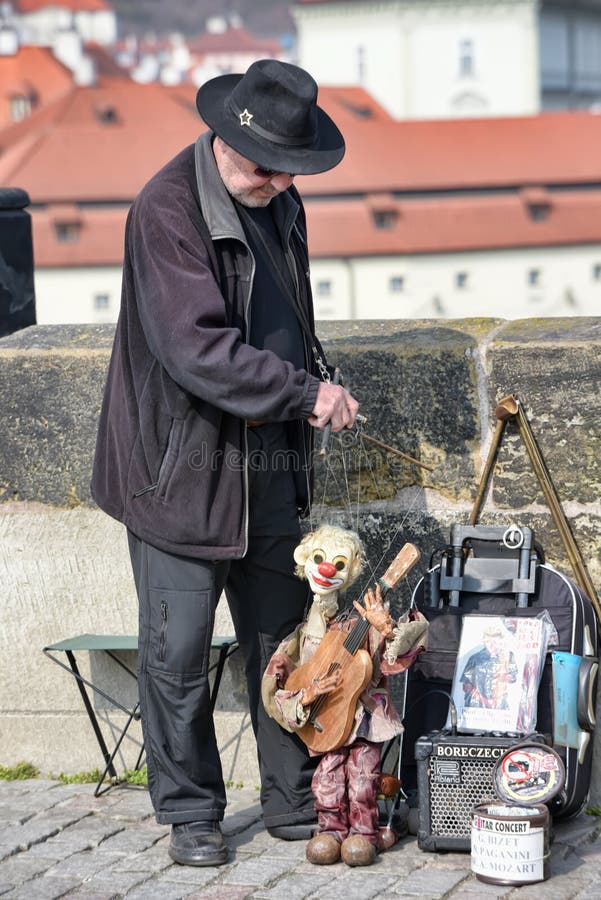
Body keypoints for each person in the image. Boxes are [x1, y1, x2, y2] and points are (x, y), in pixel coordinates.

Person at [91, 59, 359, 868]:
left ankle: (292, 799)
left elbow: (283, 320)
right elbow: (195, 349)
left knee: (284, 641)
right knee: (175, 657)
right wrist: (305, 394)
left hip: (268, 463)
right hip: (179, 471)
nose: (278, 181)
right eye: (265, 165)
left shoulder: (279, 198)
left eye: (290, 168)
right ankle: (191, 813)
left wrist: (309, 389)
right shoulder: (166, 208)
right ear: (224, 136)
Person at [261, 525, 429, 867]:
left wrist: (386, 629)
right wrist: (305, 696)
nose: (327, 569)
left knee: (363, 778)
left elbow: (389, 662)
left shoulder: (358, 623)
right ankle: (331, 831)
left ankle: (364, 833)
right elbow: (275, 687)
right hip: (326, 722)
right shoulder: (302, 636)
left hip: (363, 720)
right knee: (326, 779)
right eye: (320, 559)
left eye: (338, 564)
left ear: (350, 571)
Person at [460, 624, 518, 710]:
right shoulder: (474, 659)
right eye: (488, 641)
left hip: (500, 705)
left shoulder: (508, 656)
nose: (491, 645)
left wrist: (502, 676)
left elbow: (513, 678)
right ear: (483, 641)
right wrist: (484, 700)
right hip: (476, 706)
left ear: (500, 641)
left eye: (495, 642)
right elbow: (466, 686)